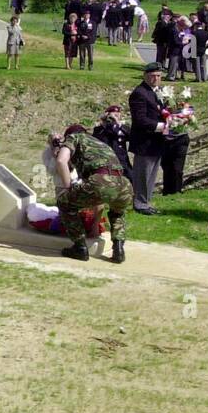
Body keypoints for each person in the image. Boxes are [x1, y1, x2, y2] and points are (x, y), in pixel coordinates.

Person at [52, 124, 135, 263]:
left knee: (65, 203)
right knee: (117, 212)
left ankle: (80, 248)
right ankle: (118, 250)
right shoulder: (98, 143)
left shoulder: (74, 138)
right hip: (123, 184)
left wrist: (68, 188)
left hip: (100, 181)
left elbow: (61, 161)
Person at [129, 62, 174, 216]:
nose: (156, 78)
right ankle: (140, 203)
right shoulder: (140, 93)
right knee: (143, 174)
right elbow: (140, 120)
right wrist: (162, 126)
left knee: (151, 174)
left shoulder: (157, 91)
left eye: (158, 76)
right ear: (145, 76)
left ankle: (146, 201)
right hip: (144, 142)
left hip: (155, 141)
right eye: (153, 76)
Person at [92, 105, 133, 178]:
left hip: (122, 159)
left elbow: (132, 137)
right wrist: (103, 123)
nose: (116, 115)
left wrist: (118, 124)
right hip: (108, 160)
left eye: (118, 114)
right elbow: (97, 139)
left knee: (131, 178)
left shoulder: (123, 127)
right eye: (113, 113)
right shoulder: (99, 129)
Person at [193, 16, 208, 82]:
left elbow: (192, 43)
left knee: (197, 65)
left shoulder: (195, 33)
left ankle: (198, 78)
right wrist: (207, 47)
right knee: (203, 65)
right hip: (203, 50)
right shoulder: (205, 33)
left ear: (196, 26)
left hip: (195, 50)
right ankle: (204, 77)